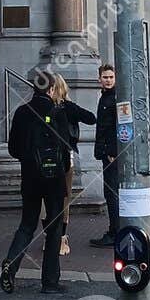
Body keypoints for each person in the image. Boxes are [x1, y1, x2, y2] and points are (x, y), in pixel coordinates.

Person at [1, 69, 71, 294]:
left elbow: (13, 148)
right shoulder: (58, 111)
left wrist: (28, 158)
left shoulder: (22, 112)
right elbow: (65, 148)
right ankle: (50, 281)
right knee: (54, 227)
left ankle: (10, 266)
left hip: (30, 178)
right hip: (54, 179)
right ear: (51, 89)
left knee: (27, 224)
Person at [52, 74, 97, 261]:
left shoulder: (42, 107)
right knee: (63, 198)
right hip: (65, 159)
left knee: (48, 201)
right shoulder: (68, 107)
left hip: (44, 160)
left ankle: (51, 237)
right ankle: (61, 238)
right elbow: (91, 118)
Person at [90, 64, 119, 249]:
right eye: (105, 77)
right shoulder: (105, 97)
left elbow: (119, 127)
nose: (108, 80)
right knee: (110, 193)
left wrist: (112, 152)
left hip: (111, 154)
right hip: (106, 151)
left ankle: (115, 232)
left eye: (111, 77)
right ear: (99, 79)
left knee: (112, 193)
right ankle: (114, 230)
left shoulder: (115, 99)